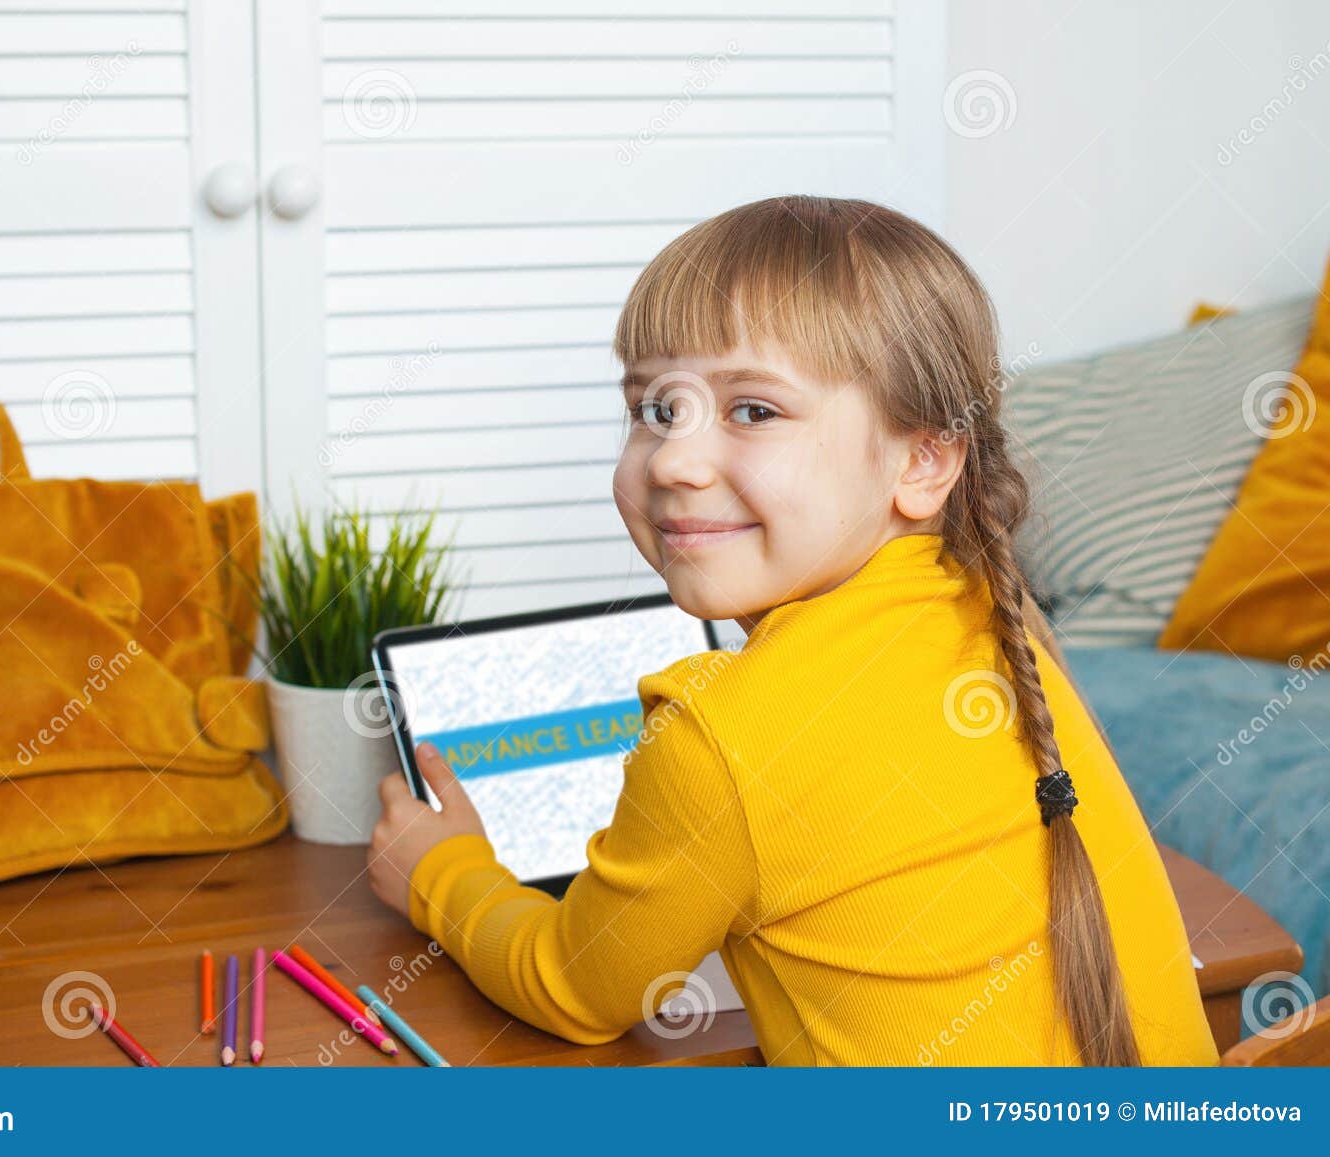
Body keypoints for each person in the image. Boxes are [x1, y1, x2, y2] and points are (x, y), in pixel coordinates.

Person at [366, 195, 1218, 1066]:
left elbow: (576, 987)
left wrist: (441, 870)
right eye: (656, 409)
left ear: (922, 461)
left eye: (754, 411)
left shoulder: (725, 737)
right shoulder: (993, 619)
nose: (672, 459)